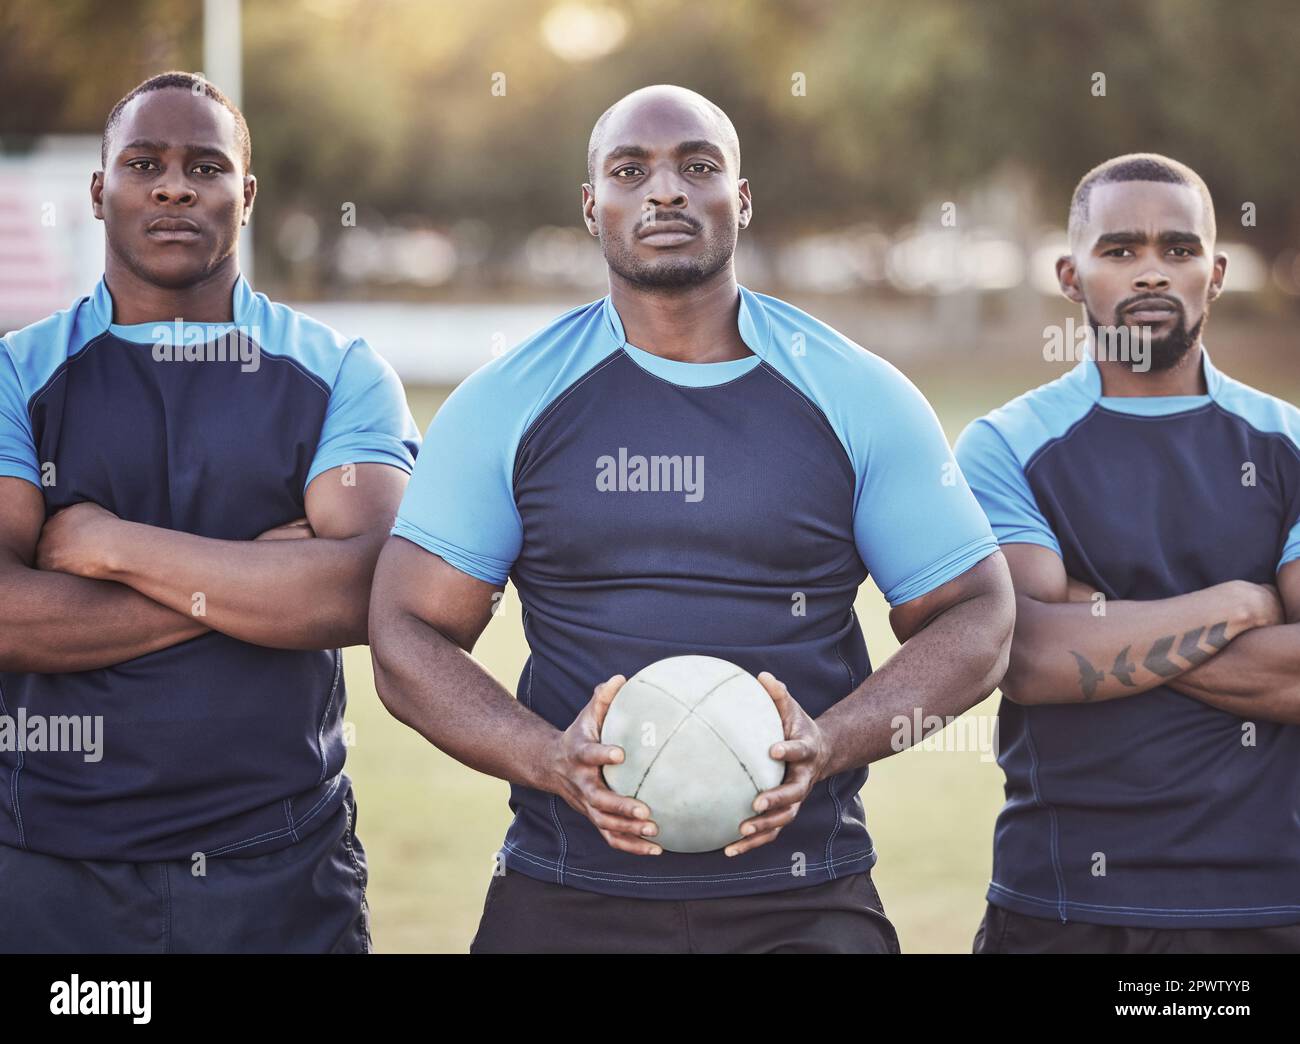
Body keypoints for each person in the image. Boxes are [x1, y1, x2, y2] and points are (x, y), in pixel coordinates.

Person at [369, 84, 1014, 954]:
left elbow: (980, 613)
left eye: (697, 166)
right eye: (630, 171)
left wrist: (831, 741)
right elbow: (406, 631)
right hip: (566, 890)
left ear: (739, 199)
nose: (665, 191)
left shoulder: (856, 393)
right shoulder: (507, 402)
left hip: (802, 894)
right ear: (592, 204)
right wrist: (546, 759)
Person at [0, 72, 420, 953]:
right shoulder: (16, 375)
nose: (174, 186)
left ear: (247, 193)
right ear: (98, 189)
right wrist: (255, 577)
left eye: (206, 166)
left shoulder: (338, 371)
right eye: (144, 163)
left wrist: (110, 545)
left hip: (279, 866)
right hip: (50, 872)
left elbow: (365, 592)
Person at [955, 153, 1300, 954]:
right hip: (1062, 905)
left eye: (1178, 251)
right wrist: (1237, 605)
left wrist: (1089, 614)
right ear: (1071, 275)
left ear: (1214, 275)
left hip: (1270, 907)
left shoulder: (1288, 444)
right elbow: (1030, 657)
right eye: (1121, 251)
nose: (1152, 272)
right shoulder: (1006, 447)